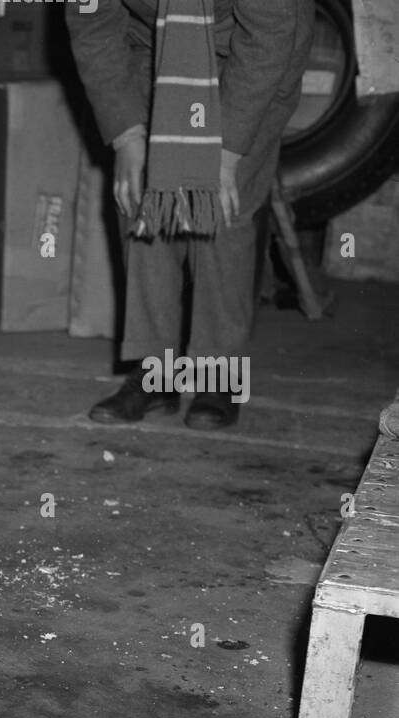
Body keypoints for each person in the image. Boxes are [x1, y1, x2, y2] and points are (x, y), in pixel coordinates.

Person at [65, 0, 316, 428]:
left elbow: (271, 36)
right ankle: (154, 370)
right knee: (145, 195)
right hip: (152, 45)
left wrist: (227, 152)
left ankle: (218, 374)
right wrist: (127, 135)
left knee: (224, 206)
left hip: (255, 52)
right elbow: (93, 27)